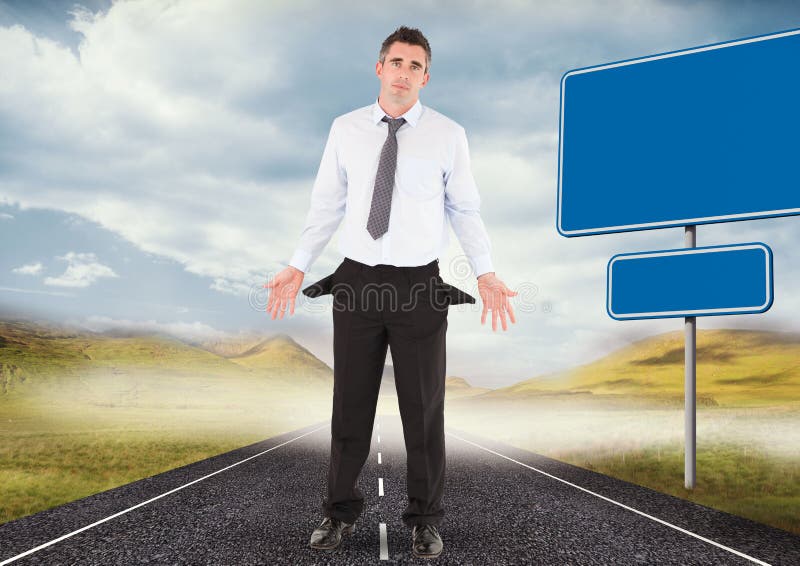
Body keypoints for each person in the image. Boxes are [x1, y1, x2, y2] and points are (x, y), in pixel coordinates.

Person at [264, 26, 516, 559]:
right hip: (356, 282)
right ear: (379, 68)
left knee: (422, 410)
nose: (404, 73)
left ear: (427, 76)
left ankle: (424, 521)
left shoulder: (449, 135)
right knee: (349, 405)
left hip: (419, 285)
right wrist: (296, 264)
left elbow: (464, 209)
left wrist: (486, 272)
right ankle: (337, 515)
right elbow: (326, 204)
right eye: (396, 62)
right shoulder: (345, 129)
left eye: (415, 66)